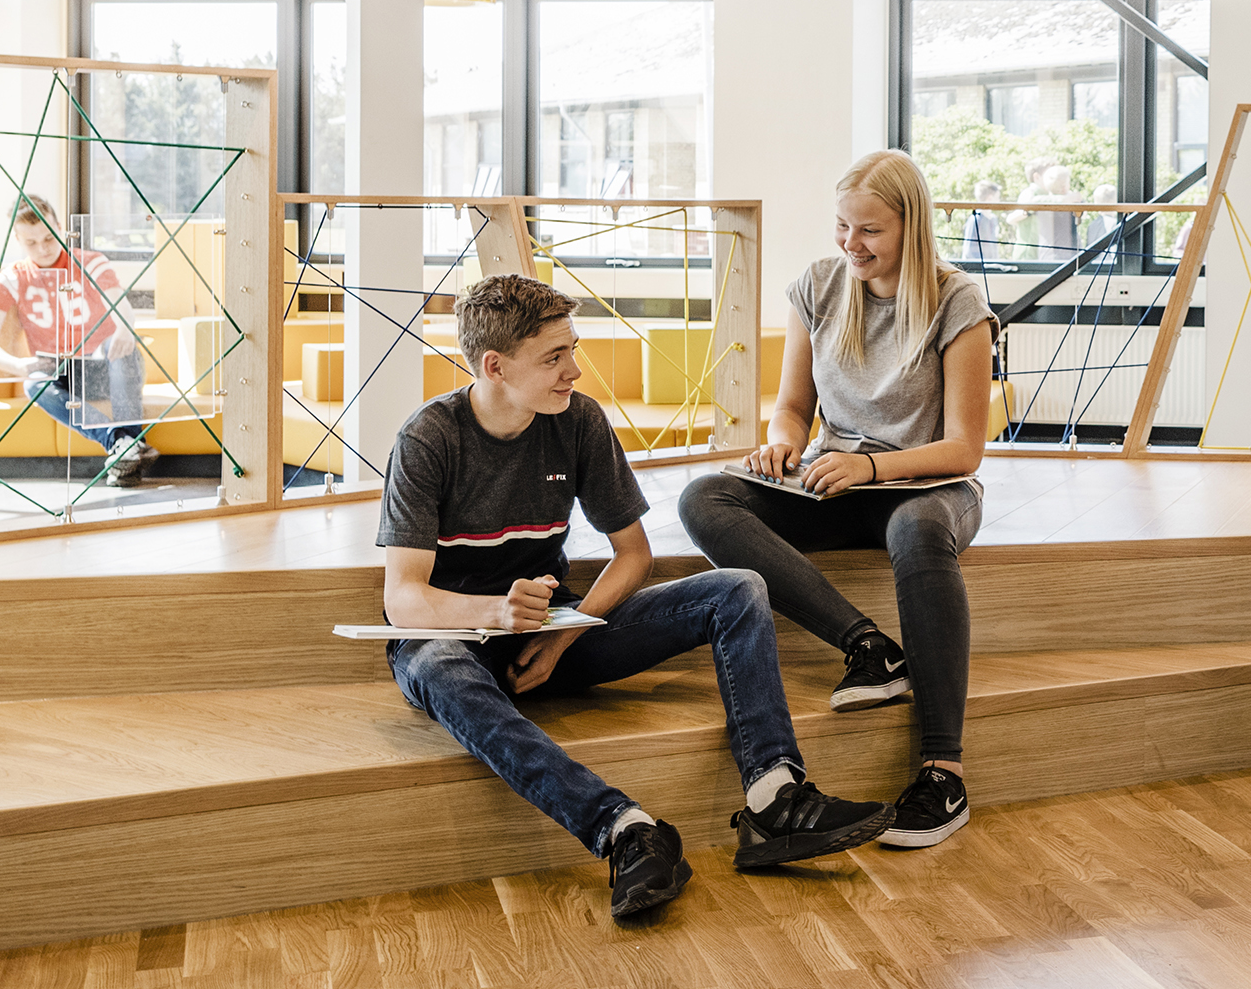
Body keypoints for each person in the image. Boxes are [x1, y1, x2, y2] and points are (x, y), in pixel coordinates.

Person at [378, 271, 898, 924]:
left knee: (738, 589)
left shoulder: (578, 421)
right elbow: (404, 599)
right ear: (495, 366)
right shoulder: (429, 438)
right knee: (437, 669)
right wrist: (493, 614)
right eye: (554, 357)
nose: (575, 370)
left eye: (573, 348)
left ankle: (775, 797)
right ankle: (626, 831)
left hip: (551, 626)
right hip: (451, 635)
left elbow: (633, 554)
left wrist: (563, 633)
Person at [676, 150, 995, 852]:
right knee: (705, 497)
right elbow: (791, 407)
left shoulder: (958, 301)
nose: (852, 244)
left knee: (916, 532)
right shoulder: (820, 287)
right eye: (842, 227)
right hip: (833, 477)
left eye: (870, 231)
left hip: (928, 487)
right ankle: (869, 649)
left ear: (912, 227)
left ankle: (944, 772)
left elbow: (964, 448)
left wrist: (870, 469)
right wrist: (782, 445)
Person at [0, 194, 152, 494]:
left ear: (59, 226)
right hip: (62, 372)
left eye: (49, 237)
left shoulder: (90, 262)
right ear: (17, 239)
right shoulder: (11, 278)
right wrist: (17, 365)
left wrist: (124, 328)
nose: (43, 248)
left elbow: (118, 302)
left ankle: (124, 449)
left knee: (120, 349)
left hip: (105, 365)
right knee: (34, 385)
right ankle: (122, 445)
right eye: (31, 243)